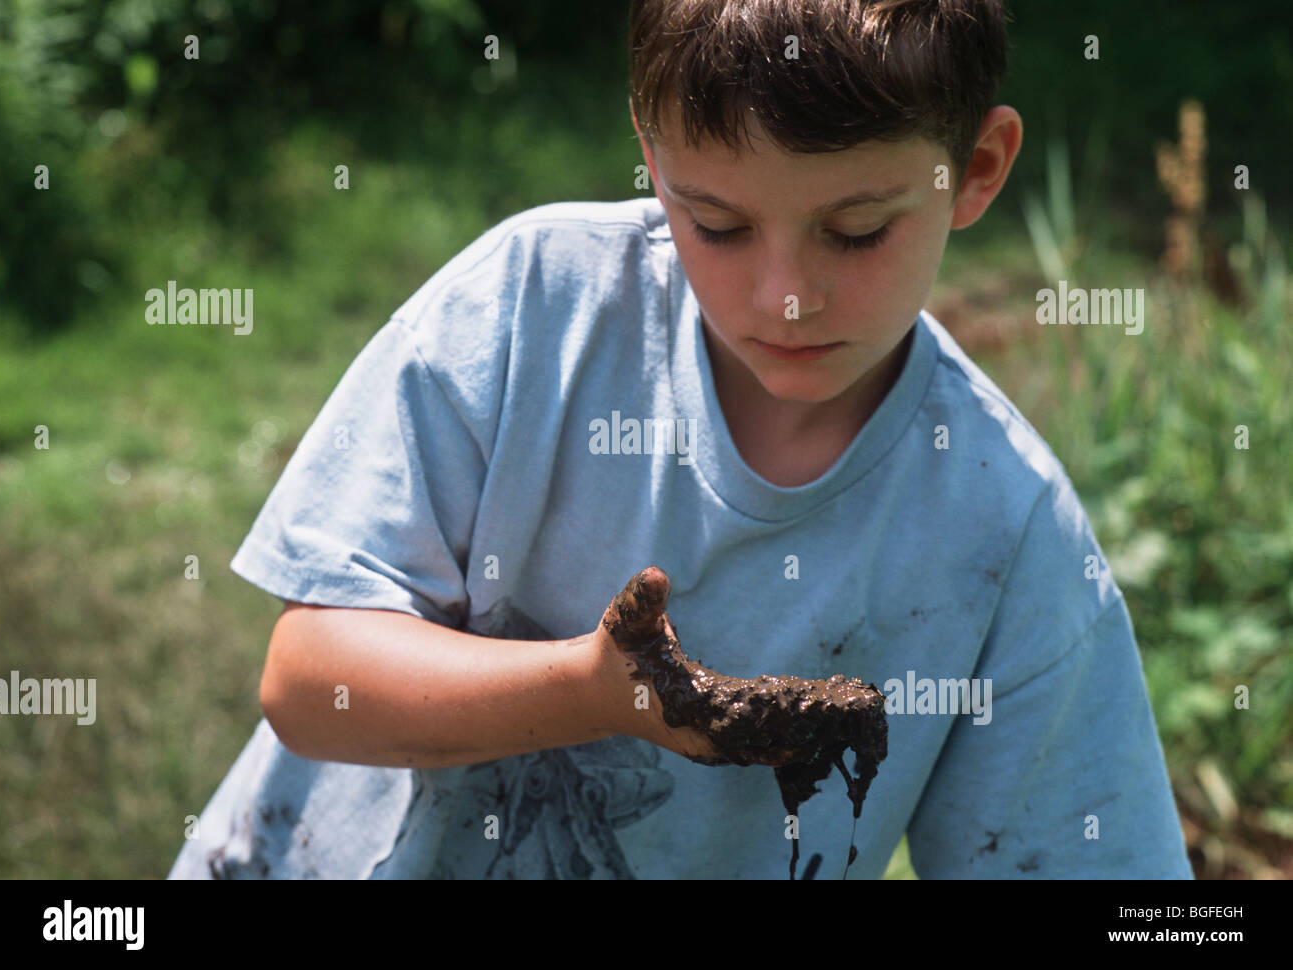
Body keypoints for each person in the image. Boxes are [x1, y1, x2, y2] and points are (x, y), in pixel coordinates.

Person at [168, 0, 1193, 879]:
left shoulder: (1000, 527)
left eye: (856, 231)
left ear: (975, 170)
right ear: (651, 158)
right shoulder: (535, 310)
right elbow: (308, 682)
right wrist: (590, 693)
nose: (784, 297)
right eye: (717, 223)